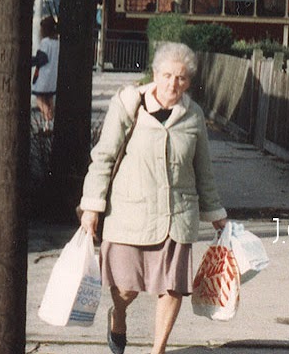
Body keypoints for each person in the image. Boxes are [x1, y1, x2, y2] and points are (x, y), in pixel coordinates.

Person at [77, 42, 227, 354]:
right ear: (155, 73)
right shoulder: (129, 103)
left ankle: (157, 350)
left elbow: (204, 169)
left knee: (172, 288)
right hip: (129, 213)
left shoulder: (193, 114)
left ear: (189, 81)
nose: (174, 84)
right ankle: (117, 316)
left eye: (182, 78)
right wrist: (92, 206)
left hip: (177, 216)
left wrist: (216, 213)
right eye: (168, 75)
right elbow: (103, 157)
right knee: (126, 289)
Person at [31, 16, 60, 128]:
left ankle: (47, 116)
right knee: (50, 99)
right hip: (53, 76)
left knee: (40, 100)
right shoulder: (57, 43)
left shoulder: (45, 43)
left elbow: (42, 59)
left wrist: (31, 61)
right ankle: (48, 125)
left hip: (43, 76)